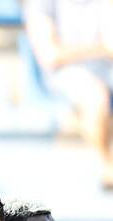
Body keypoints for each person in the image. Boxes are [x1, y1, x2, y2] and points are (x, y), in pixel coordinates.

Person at [24, 0, 113, 188]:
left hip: (105, 66)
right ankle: (107, 167)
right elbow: (51, 56)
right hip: (66, 71)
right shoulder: (42, 4)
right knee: (94, 97)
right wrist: (103, 48)